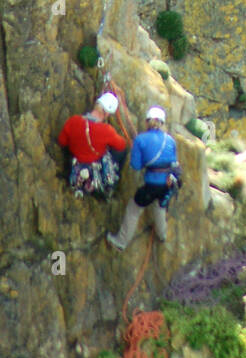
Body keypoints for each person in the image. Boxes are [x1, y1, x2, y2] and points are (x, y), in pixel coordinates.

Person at [106, 106, 182, 249]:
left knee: (133, 210)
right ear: (162, 122)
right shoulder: (170, 140)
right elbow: (173, 161)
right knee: (160, 206)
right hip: (168, 184)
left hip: (151, 185)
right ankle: (162, 235)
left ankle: (121, 242)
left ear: (147, 122)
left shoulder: (140, 140)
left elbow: (136, 166)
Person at [58, 93, 127, 199]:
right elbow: (121, 145)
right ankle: (110, 185)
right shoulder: (106, 130)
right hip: (95, 167)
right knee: (121, 152)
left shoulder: (73, 121)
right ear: (107, 113)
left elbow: (62, 141)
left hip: (76, 164)